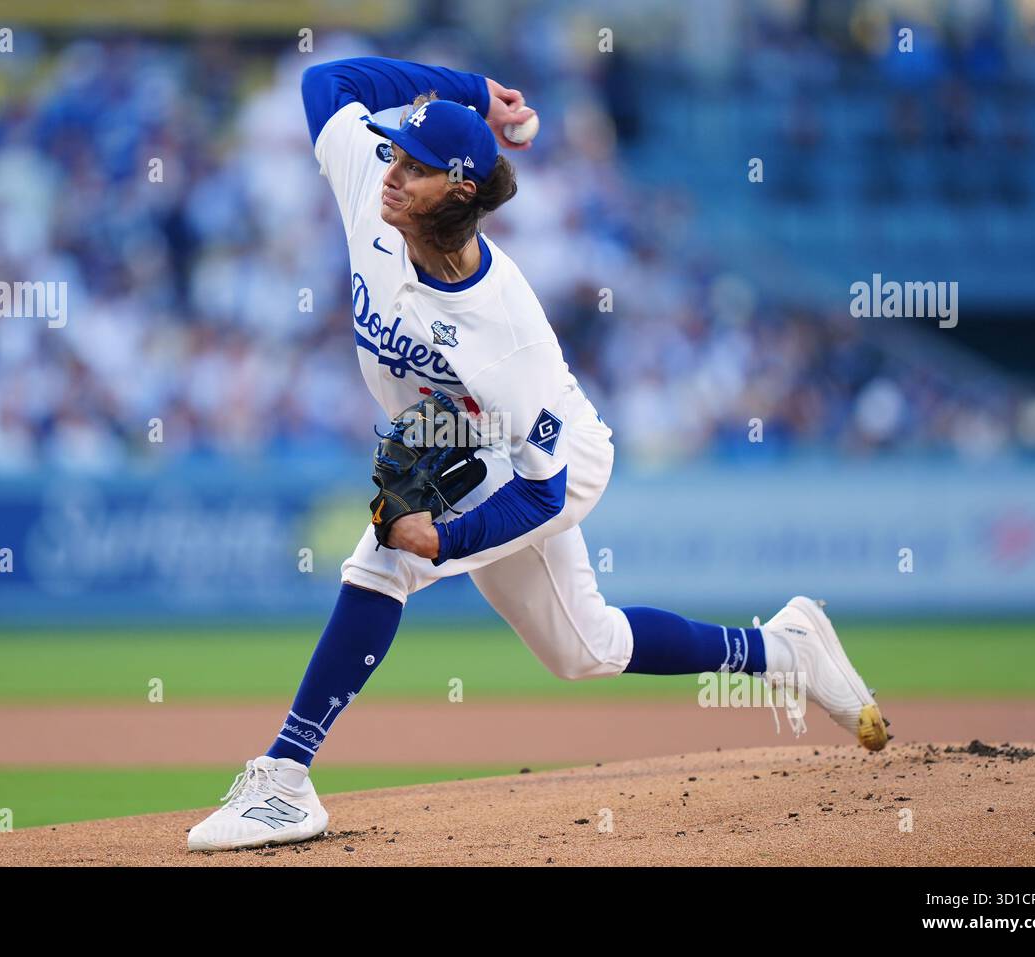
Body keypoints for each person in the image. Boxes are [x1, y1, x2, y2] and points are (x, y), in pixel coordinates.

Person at [186, 56, 887, 852]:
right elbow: (328, 87)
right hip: (460, 437)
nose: (391, 170)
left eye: (413, 167)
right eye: (394, 151)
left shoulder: (502, 332)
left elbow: (544, 493)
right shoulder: (371, 177)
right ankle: (780, 649)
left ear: (457, 193)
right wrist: (473, 90)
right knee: (586, 648)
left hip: (541, 458)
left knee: (384, 557)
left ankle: (284, 778)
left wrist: (442, 540)